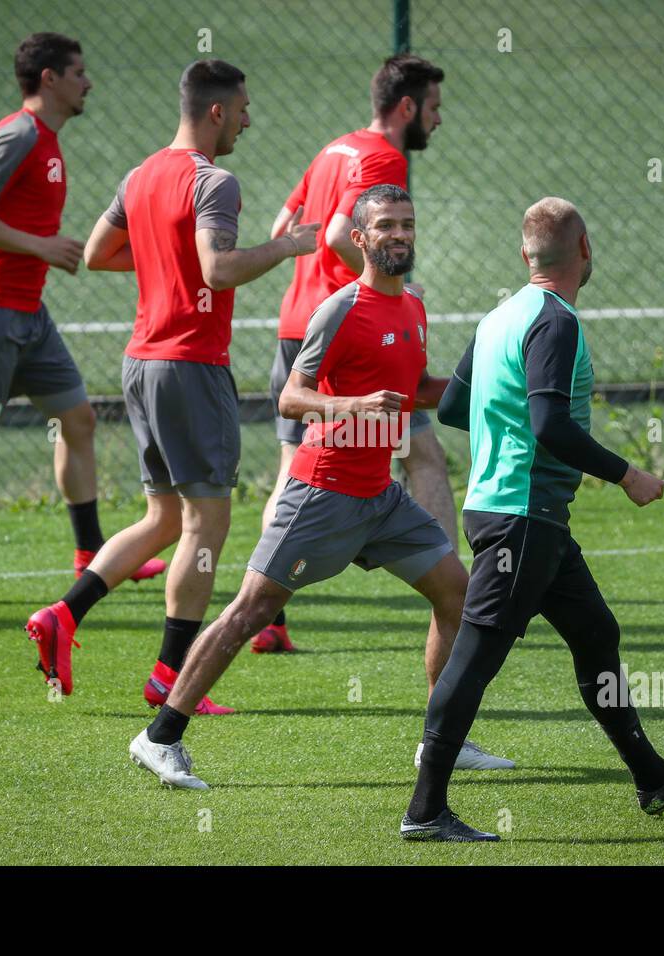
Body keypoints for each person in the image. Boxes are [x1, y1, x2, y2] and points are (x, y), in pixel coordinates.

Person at [128, 185, 511, 789]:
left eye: (408, 223)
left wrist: (487, 384)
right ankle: (160, 736)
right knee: (249, 612)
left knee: (455, 594)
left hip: (380, 498)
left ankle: (443, 740)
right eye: (386, 225)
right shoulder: (340, 308)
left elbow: (416, 388)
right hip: (321, 494)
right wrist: (355, 403)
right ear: (359, 239)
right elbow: (290, 397)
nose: (400, 234)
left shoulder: (412, 306)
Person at [399, 198, 664, 841]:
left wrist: (508, 427)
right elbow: (550, 425)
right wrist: (628, 475)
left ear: (526, 255)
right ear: (584, 249)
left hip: (519, 513)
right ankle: (425, 811)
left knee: (596, 633)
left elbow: (456, 407)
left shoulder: (499, 317)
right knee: (473, 659)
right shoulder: (557, 322)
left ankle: (652, 776)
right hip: (522, 518)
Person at [23, 60, 319, 705]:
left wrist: (166, 259)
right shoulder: (215, 181)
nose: (248, 118)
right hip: (190, 366)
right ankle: (171, 675)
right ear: (216, 111)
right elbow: (218, 270)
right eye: (243, 107)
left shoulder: (141, 174)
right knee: (205, 524)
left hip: (142, 363)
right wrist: (290, 247)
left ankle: (63, 614)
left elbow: (100, 254)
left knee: (162, 517)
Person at [0, 33, 165, 605]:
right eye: (78, 72)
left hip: (26, 314)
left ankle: (91, 553)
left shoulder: (47, 141)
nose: (88, 82)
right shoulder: (18, 135)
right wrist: (40, 247)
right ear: (49, 79)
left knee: (79, 419)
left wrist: (40, 252)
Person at [250, 54, 454, 655]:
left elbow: (287, 222)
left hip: (298, 320)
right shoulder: (386, 157)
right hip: (356, 332)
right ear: (408, 107)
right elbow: (342, 235)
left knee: (294, 467)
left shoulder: (334, 148)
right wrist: (378, 295)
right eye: (435, 107)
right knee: (426, 458)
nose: (439, 121)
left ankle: (270, 612)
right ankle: (452, 587)